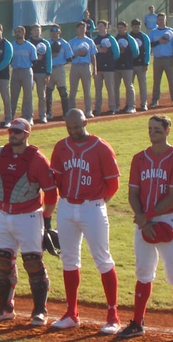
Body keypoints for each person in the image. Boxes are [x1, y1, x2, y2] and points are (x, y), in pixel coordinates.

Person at [47, 109, 121, 333]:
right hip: (67, 206)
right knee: (69, 260)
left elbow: (113, 184)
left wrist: (98, 203)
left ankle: (113, 316)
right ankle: (71, 313)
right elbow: (56, 179)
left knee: (102, 259)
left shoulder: (101, 147)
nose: (73, 131)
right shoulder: (61, 147)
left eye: (77, 127)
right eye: (70, 128)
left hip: (92, 207)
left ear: (85, 122)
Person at [118, 115, 173, 342]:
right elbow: (133, 193)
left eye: (157, 129)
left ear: (168, 130)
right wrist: (142, 220)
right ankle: (138, 322)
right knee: (143, 272)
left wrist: (145, 218)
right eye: (150, 129)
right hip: (144, 223)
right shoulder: (139, 158)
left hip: (168, 220)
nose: (153, 132)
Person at [0, 118, 57, 325]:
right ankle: (5, 308)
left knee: (33, 263)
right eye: (11, 131)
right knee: (3, 260)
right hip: (3, 215)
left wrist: (47, 221)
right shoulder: (1, 154)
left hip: (29, 217)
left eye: (17, 132)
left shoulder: (37, 159)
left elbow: (51, 194)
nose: (13, 135)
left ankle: (40, 311)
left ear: (27, 134)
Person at [148, 13, 173, 108]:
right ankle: (155, 100)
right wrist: (159, 42)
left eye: (163, 19)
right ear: (157, 20)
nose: (161, 21)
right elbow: (150, 44)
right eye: (159, 19)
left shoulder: (171, 31)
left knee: (172, 80)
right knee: (156, 81)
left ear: (165, 20)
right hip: (158, 58)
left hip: (168, 58)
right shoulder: (153, 32)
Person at [68, 22, 97, 118]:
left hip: (86, 66)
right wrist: (78, 54)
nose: (81, 29)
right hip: (75, 66)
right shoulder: (72, 42)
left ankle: (88, 111)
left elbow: (93, 55)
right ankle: (71, 110)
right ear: (77, 29)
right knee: (73, 90)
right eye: (80, 28)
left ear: (86, 29)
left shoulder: (89, 41)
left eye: (83, 28)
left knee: (87, 90)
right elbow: (69, 56)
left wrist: (95, 68)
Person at [9, 26, 37, 125]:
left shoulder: (30, 46)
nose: (17, 33)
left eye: (19, 31)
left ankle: (28, 117)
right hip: (15, 71)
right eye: (16, 32)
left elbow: (34, 61)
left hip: (26, 71)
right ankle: (10, 117)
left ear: (24, 33)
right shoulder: (11, 46)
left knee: (28, 95)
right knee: (14, 95)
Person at [92, 20, 120, 116]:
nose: (100, 28)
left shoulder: (111, 39)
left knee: (110, 88)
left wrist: (110, 60)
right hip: (98, 68)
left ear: (106, 27)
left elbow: (116, 53)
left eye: (102, 26)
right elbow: (93, 53)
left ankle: (112, 108)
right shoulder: (95, 39)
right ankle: (97, 108)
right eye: (98, 26)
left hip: (109, 68)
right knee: (98, 89)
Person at [46, 25, 73, 121]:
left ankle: (66, 113)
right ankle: (48, 113)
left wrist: (60, 63)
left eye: (56, 30)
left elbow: (69, 58)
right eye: (52, 30)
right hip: (49, 69)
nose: (54, 32)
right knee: (48, 92)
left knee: (63, 91)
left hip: (59, 68)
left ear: (59, 31)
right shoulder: (47, 43)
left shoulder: (64, 43)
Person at [114, 21, 141, 114]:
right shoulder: (115, 39)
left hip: (127, 66)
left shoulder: (130, 39)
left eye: (122, 27)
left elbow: (135, 52)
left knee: (129, 86)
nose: (120, 29)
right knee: (115, 87)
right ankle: (116, 106)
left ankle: (131, 106)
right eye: (119, 27)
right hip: (116, 67)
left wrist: (128, 58)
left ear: (126, 28)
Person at [129, 19, 151, 112]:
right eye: (134, 27)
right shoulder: (128, 36)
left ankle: (143, 103)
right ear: (131, 27)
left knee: (142, 85)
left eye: (138, 27)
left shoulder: (144, 37)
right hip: (130, 65)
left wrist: (146, 63)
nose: (136, 29)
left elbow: (147, 51)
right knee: (129, 86)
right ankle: (130, 104)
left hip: (141, 65)